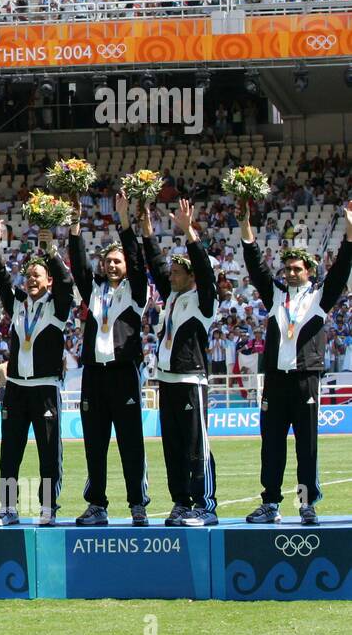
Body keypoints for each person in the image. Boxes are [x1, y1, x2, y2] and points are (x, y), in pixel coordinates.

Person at [240, 198, 352, 524]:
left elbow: (343, 265)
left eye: (296, 269)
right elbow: (255, 264)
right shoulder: (275, 295)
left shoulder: (320, 299)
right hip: (275, 381)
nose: (290, 273)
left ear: (309, 271)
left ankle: (306, 505)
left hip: (306, 380)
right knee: (271, 446)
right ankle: (270, 504)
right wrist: (246, 225)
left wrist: (348, 229)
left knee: (307, 448)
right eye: (286, 268)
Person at [68, 190, 150, 526]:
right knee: (95, 444)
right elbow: (78, 265)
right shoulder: (94, 290)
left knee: (131, 443)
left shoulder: (136, 292)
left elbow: (138, 258)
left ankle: (137, 504)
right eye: (108, 261)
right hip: (94, 376)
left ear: (127, 266)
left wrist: (125, 222)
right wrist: (75, 225)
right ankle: (97, 505)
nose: (111, 265)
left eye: (118, 261)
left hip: (123, 373)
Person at [0, 232, 75, 525]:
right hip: (16, 389)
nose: (31, 279)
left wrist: (50, 252)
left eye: (37, 275)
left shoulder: (57, 308)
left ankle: (48, 508)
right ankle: (7, 508)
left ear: (48, 280)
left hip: (45, 389)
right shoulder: (18, 305)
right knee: (9, 451)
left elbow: (66, 283)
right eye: (28, 276)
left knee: (49, 453)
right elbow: (0, 280)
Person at [142, 199, 219, 526]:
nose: (170, 276)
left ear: (191, 277)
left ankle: (205, 505)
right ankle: (181, 502)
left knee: (194, 446)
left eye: (177, 272)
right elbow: (156, 263)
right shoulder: (172, 296)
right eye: (171, 273)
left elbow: (204, 268)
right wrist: (147, 230)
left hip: (191, 381)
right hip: (167, 382)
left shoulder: (204, 303)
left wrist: (189, 232)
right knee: (172, 448)